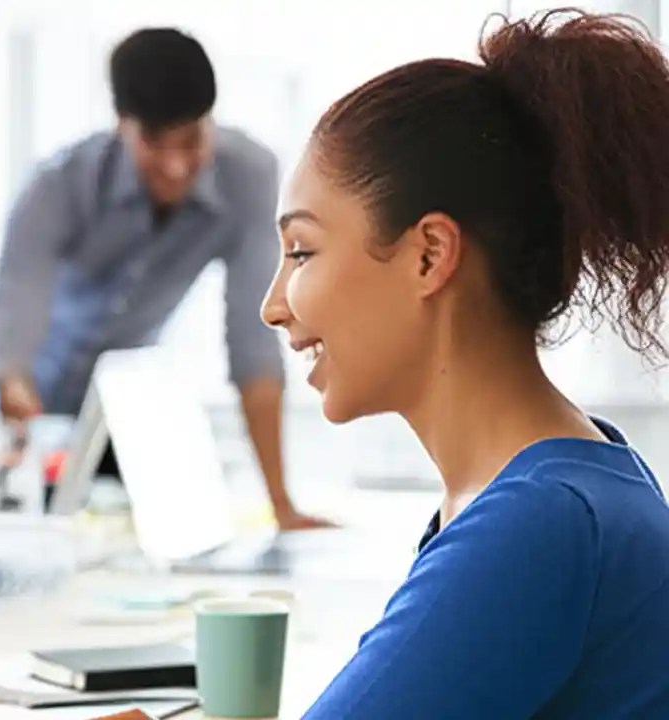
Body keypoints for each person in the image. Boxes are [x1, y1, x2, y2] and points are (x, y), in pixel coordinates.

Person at [263, 10, 669, 717]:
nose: (275, 304)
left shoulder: (542, 525)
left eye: (302, 251)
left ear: (429, 254)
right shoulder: (570, 482)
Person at [0, 28, 329, 530]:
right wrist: (25, 429)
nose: (176, 167)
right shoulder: (57, 185)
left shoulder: (249, 177)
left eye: (191, 141)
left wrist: (281, 505)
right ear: (122, 125)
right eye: (155, 142)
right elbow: (12, 337)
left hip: (105, 406)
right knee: (12, 537)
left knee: (120, 538)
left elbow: (253, 348)